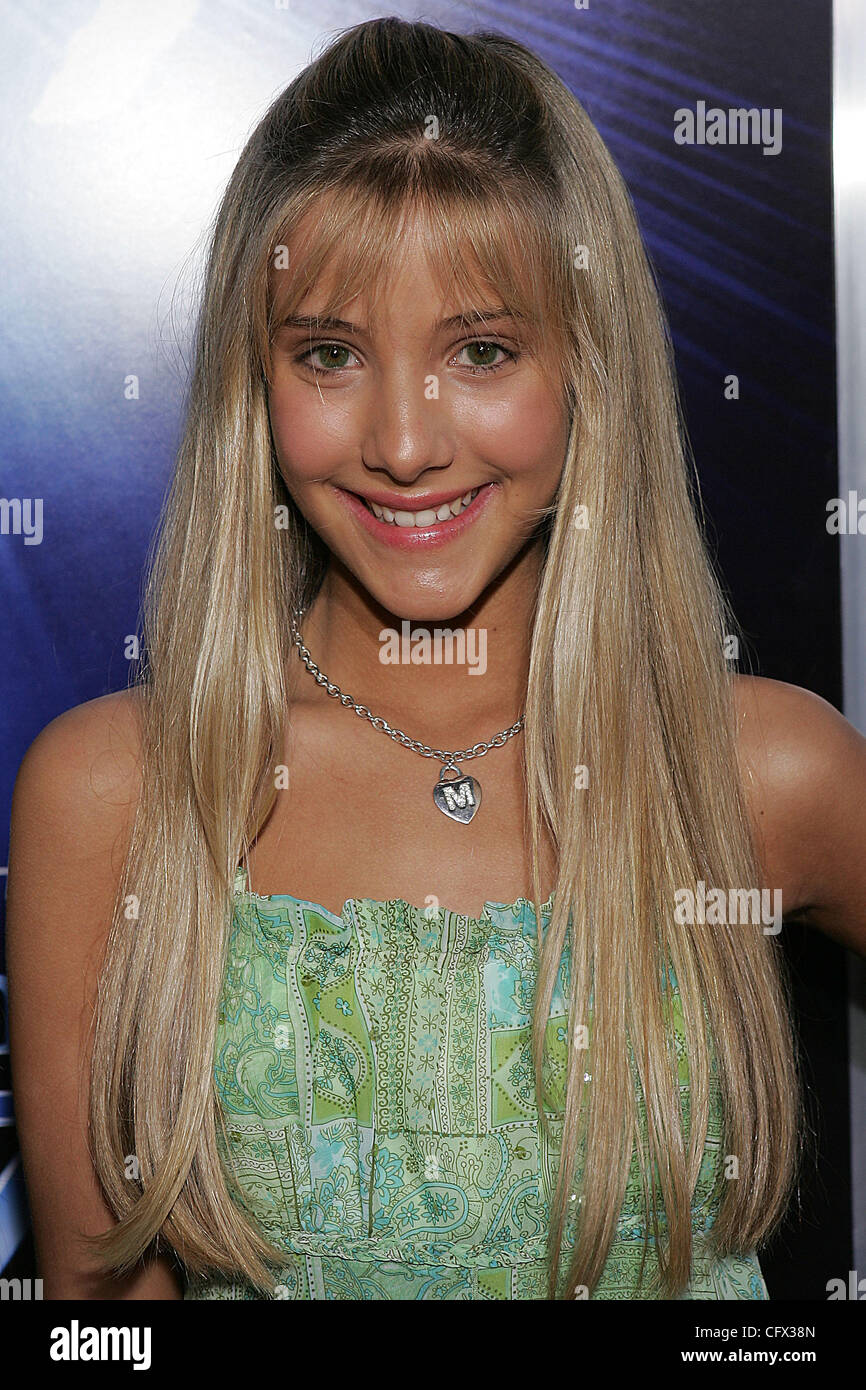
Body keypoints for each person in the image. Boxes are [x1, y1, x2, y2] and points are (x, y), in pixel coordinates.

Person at [7, 16, 866, 1302]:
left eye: (479, 350)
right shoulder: (115, 789)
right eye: (330, 354)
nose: (402, 442)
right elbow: (95, 1324)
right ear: (258, 383)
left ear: (587, 366)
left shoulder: (762, 768)